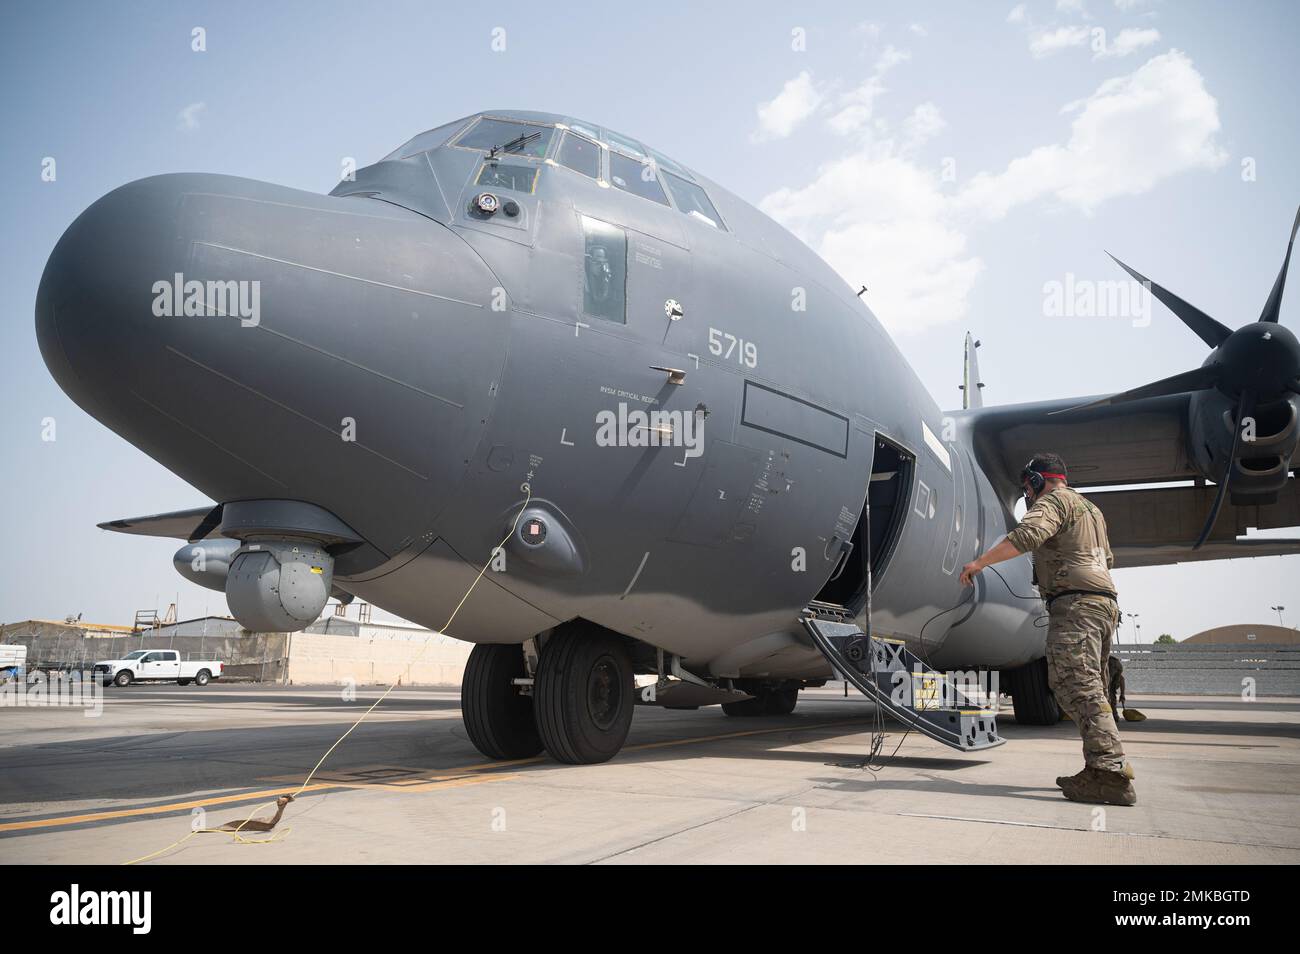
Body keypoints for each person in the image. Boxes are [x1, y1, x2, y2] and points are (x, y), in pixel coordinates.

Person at [958, 453, 1136, 806]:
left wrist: (979, 563)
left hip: (1075, 603)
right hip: (1103, 603)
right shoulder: (1091, 510)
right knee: (1090, 686)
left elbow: (1027, 535)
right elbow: (1107, 559)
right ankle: (1100, 768)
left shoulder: (1053, 501)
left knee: (1075, 685)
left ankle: (1109, 773)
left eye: (1028, 486)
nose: (1027, 493)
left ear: (1038, 481)